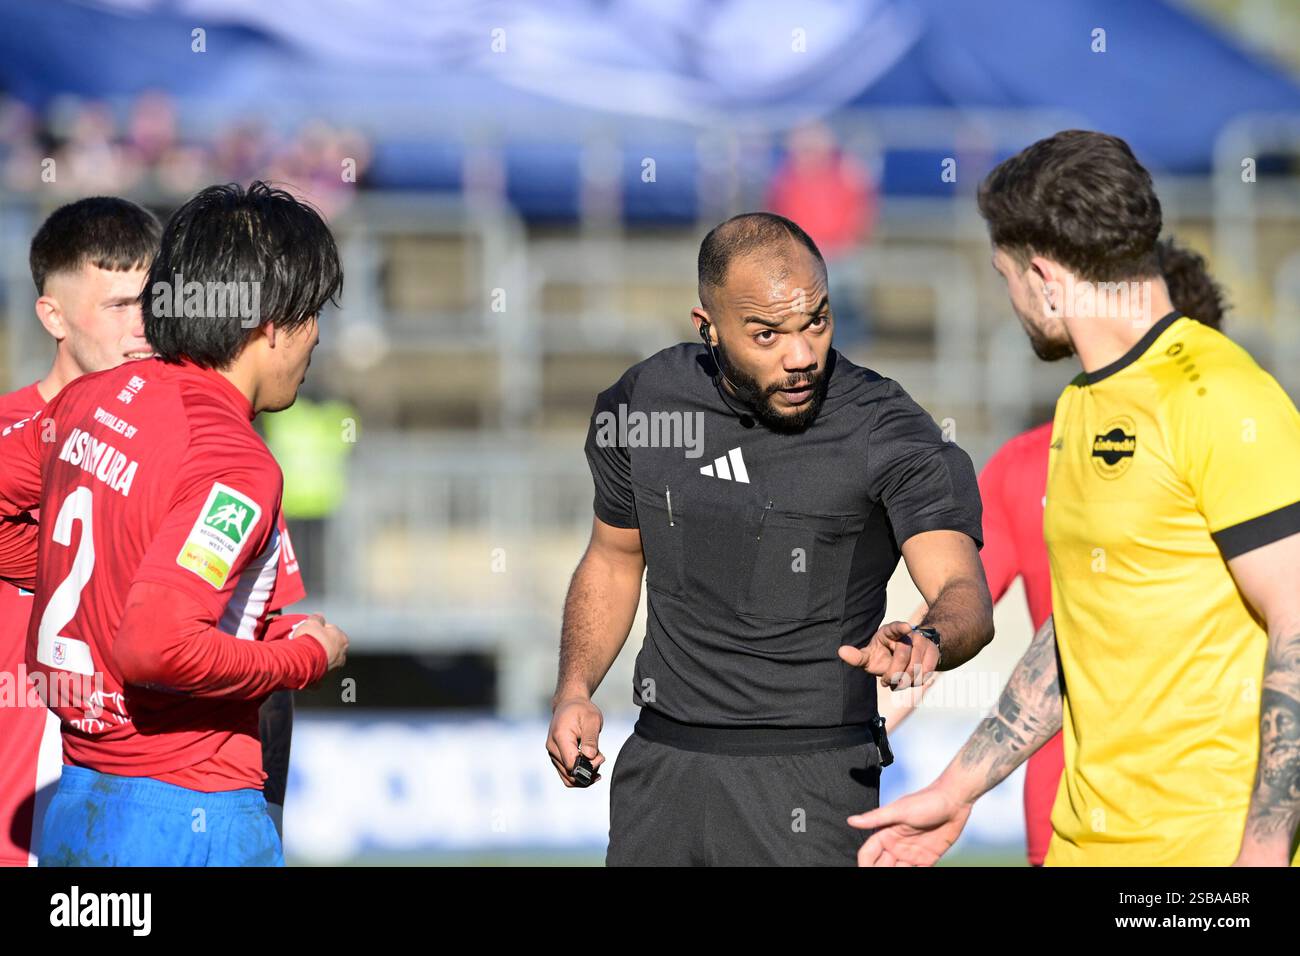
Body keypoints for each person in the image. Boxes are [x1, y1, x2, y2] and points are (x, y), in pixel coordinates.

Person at [853, 130, 1300, 867]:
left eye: (1007, 279)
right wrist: (958, 788)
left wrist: (1263, 849)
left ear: (1044, 275)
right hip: (1082, 848)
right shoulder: (1081, 406)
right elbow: (1081, 627)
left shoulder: (1219, 394)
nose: (1013, 302)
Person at [547, 211, 994, 866]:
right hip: (661, 774)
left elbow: (964, 593)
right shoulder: (641, 404)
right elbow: (613, 561)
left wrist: (927, 640)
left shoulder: (888, 428)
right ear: (709, 329)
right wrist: (574, 690)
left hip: (811, 784)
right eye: (767, 334)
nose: (802, 354)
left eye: (816, 320)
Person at [0, 182, 349, 866]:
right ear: (270, 325)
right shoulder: (232, 459)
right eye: (312, 317)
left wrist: (82, 572)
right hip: (185, 813)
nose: (316, 342)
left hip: (80, 792)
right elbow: (158, 647)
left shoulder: (91, 400)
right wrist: (307, 657)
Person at [889, 236, 1231, 866]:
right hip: (1076, 816)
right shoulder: (1032, 462)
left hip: (1218, 819)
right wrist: (846, 738)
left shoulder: (1251, 452)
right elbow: (938, 631)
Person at [0, 196, 161, 867]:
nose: (143, 325)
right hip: (20, 800)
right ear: (54, 316)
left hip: (138, 802)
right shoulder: (8, 440)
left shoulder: (195, 440)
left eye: (154, 300)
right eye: (118, 305)